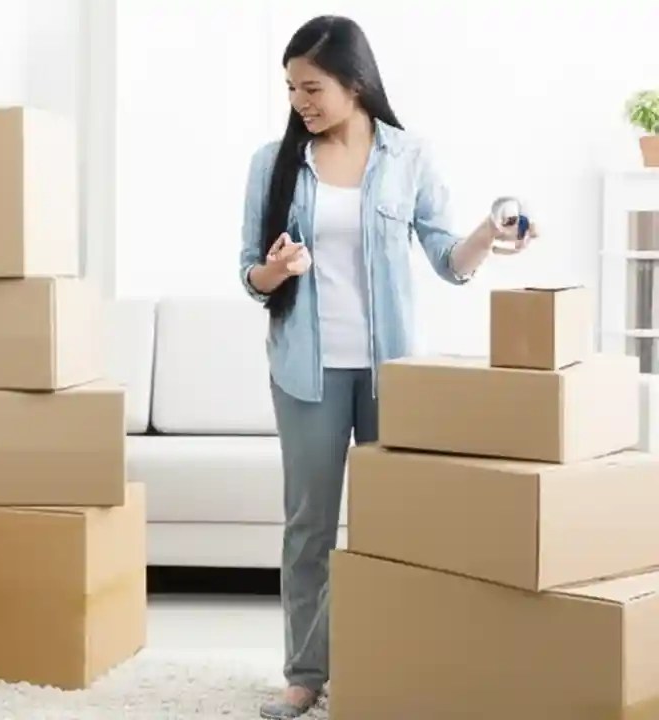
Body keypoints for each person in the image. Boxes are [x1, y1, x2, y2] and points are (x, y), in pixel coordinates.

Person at [240, 15, 537, 720]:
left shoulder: (407, 156)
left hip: (389, 375)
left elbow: (446, 259)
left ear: (355, 82)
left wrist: (487, 237)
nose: (299, 101)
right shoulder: (273, 163)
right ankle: (305, 674)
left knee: (390, 530)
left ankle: (385, 663)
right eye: (290, 89)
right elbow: (249, 278)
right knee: (309, 526)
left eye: (311, 87)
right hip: (305, 373)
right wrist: (276, 272)